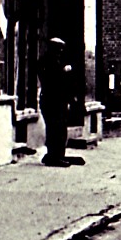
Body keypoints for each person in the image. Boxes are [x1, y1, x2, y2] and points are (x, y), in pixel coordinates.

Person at [38, 37, 82, 167]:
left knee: (60, 129)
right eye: (58, 49)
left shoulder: (54, 61)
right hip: (51, 100)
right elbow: (52, 80)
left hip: (57, 100)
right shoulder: (47, 62)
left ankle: (57, 154)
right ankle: (53, 156)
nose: (60, 52)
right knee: (55, 129)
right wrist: (63, 71)